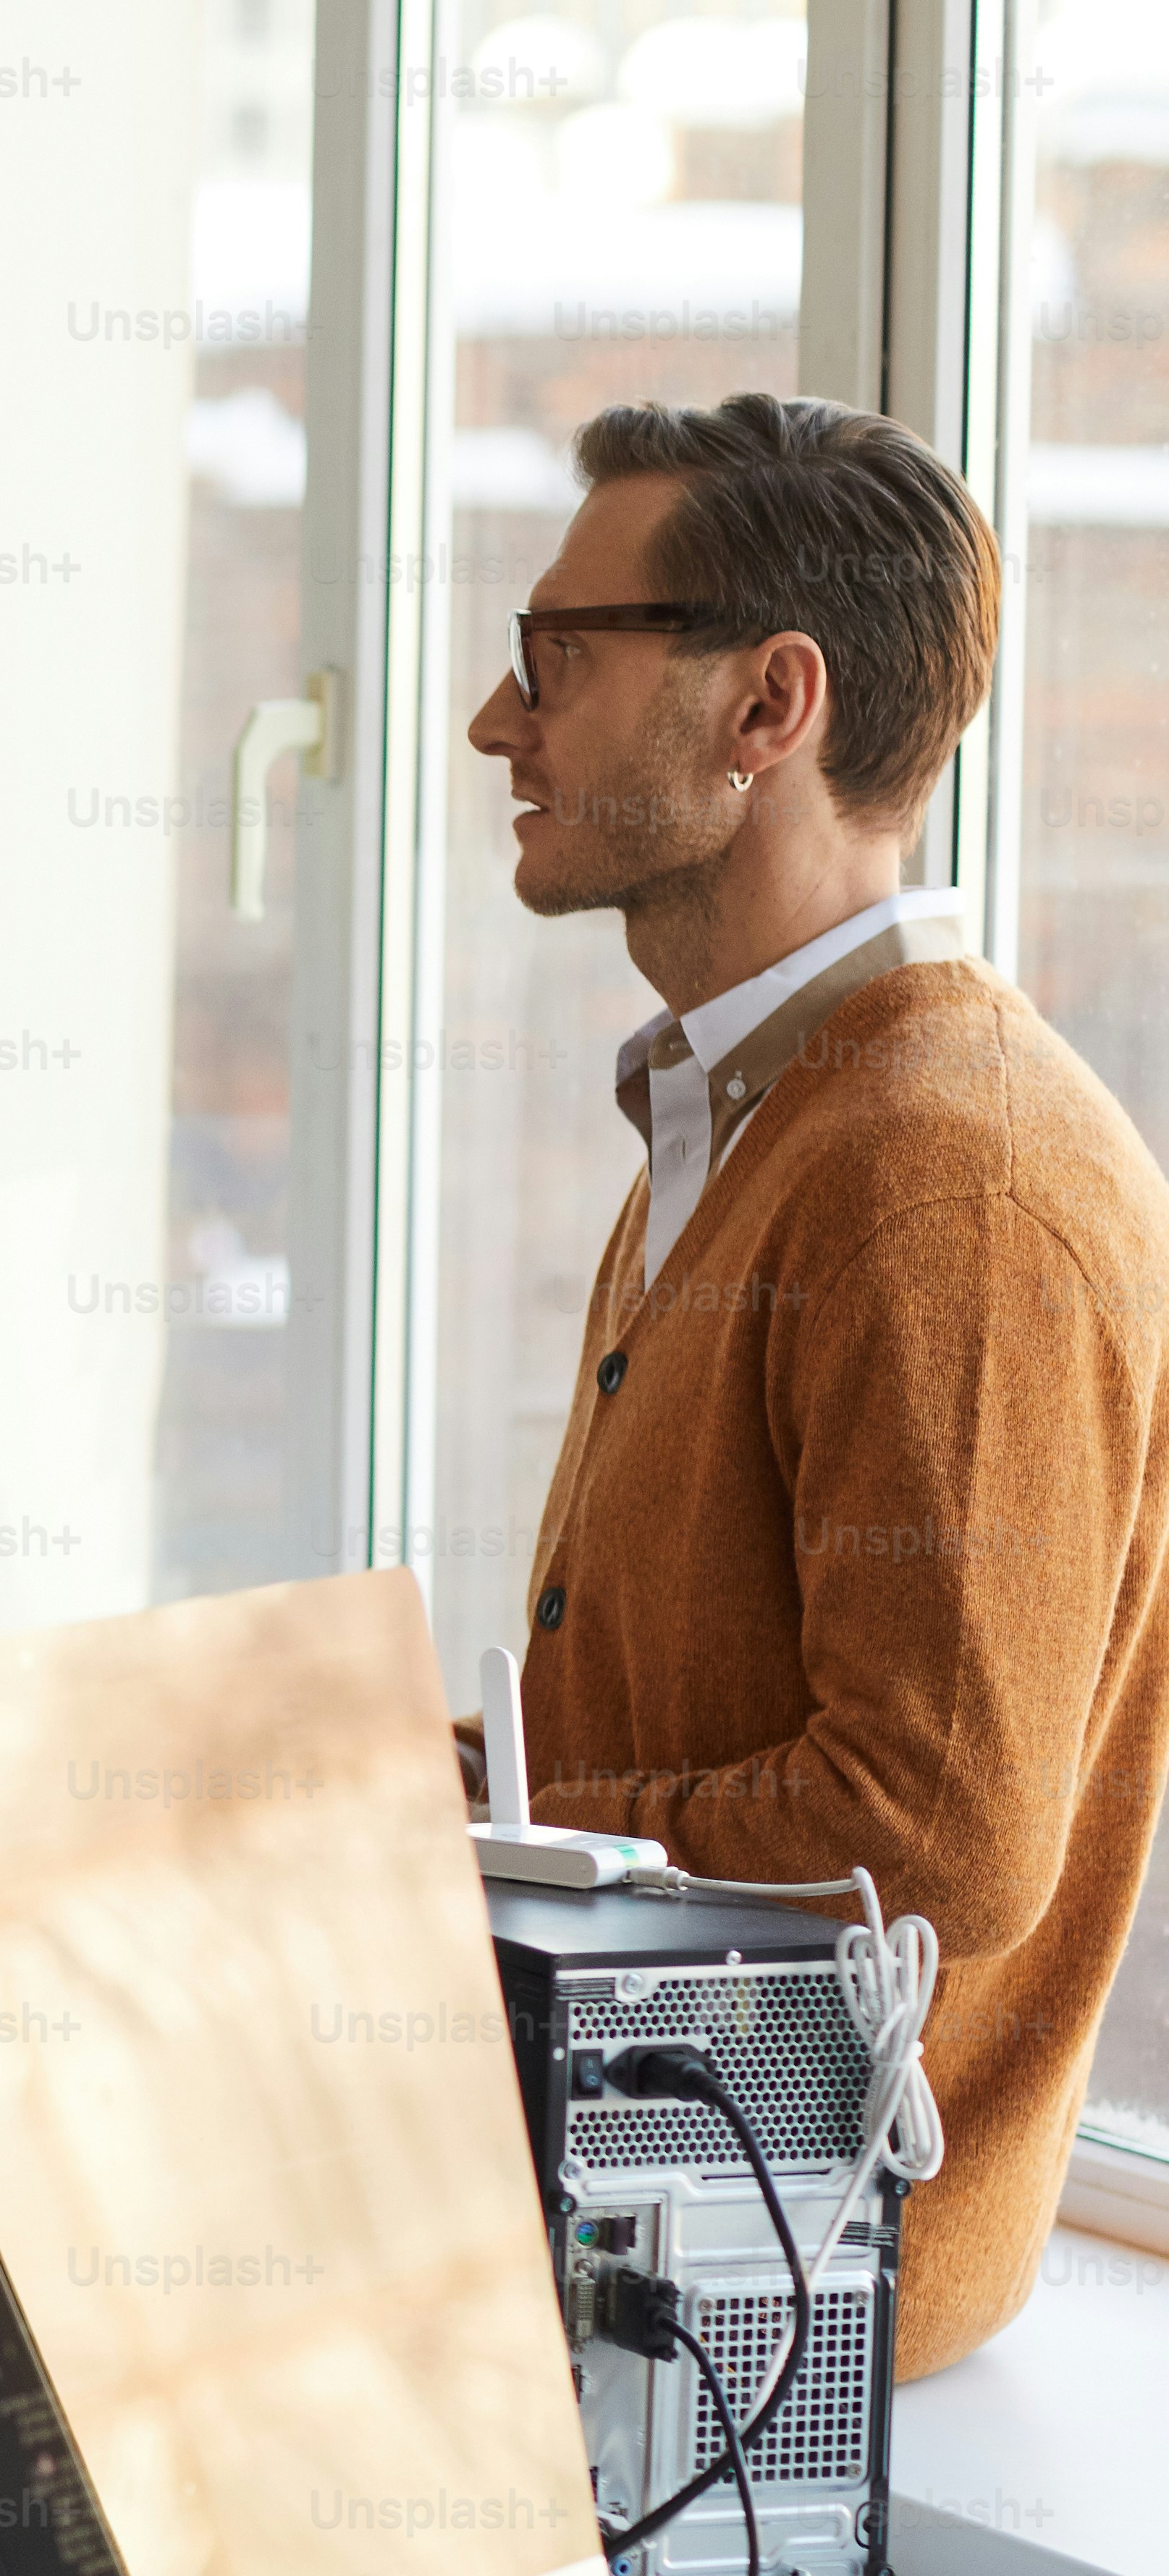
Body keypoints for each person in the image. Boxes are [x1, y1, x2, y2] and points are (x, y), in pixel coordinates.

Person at [467, 392, 1169, 2376]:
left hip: (771, 2323)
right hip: (660, 2241)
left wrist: (483, 1852)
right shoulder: (757, 1109)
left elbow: (931, 1824)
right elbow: (697, 1706)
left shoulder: (951, 1178)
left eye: (556, 661)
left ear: (768, 707)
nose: (495, 726)